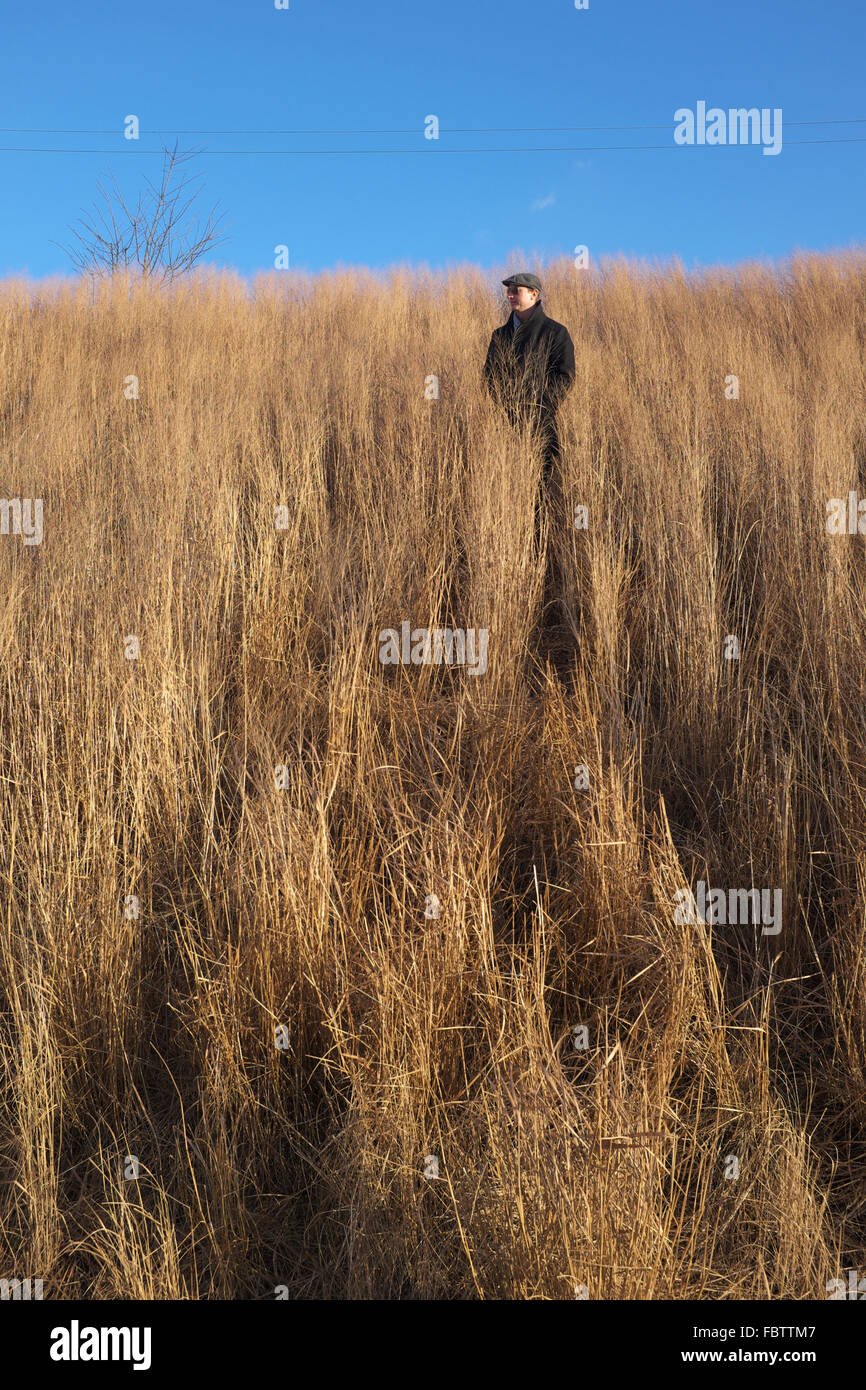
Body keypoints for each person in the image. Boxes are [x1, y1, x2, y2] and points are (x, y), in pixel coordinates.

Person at [483, 272, 576, 661]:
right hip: (508, 433)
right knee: (510, 504)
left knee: (540, 502)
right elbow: (490, 379)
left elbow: (565, 376)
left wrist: (539, 407)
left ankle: (542, 576)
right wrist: (507, 411)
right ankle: (511, 574)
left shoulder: (555, 332)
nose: (510, 295)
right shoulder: (500, 337)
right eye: (507, 290)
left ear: (535, 294)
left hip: (542, 429)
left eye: (516, 290)